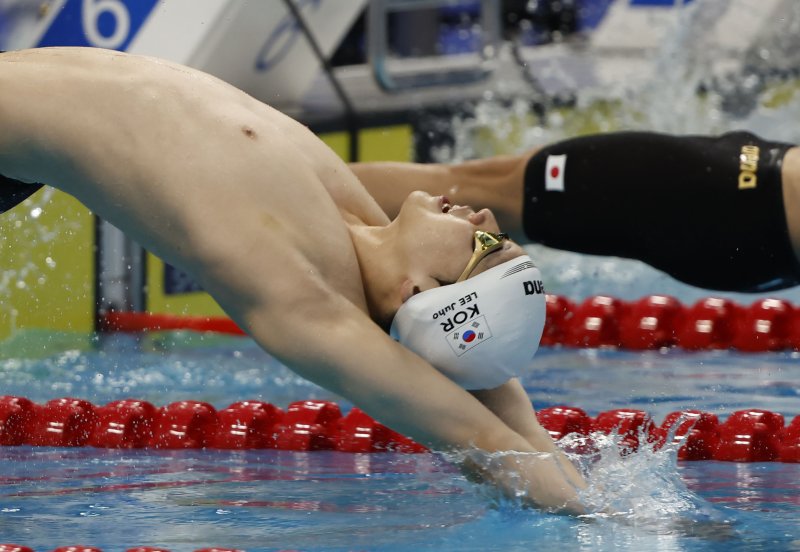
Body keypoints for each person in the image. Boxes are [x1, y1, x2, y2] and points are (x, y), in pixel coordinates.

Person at [0, 47, 586, 513]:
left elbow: (479, 438)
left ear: (418, 292)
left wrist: (602, 519)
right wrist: (550, 449)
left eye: (486, 245)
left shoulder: (300, 292)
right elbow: (502, 404)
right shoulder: (362, 229)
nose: (486, 220)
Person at [353, 132, 800, 292]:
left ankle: (299, 194)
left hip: (714, 193)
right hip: (752, 221)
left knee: (476, 187)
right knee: (484, 183)